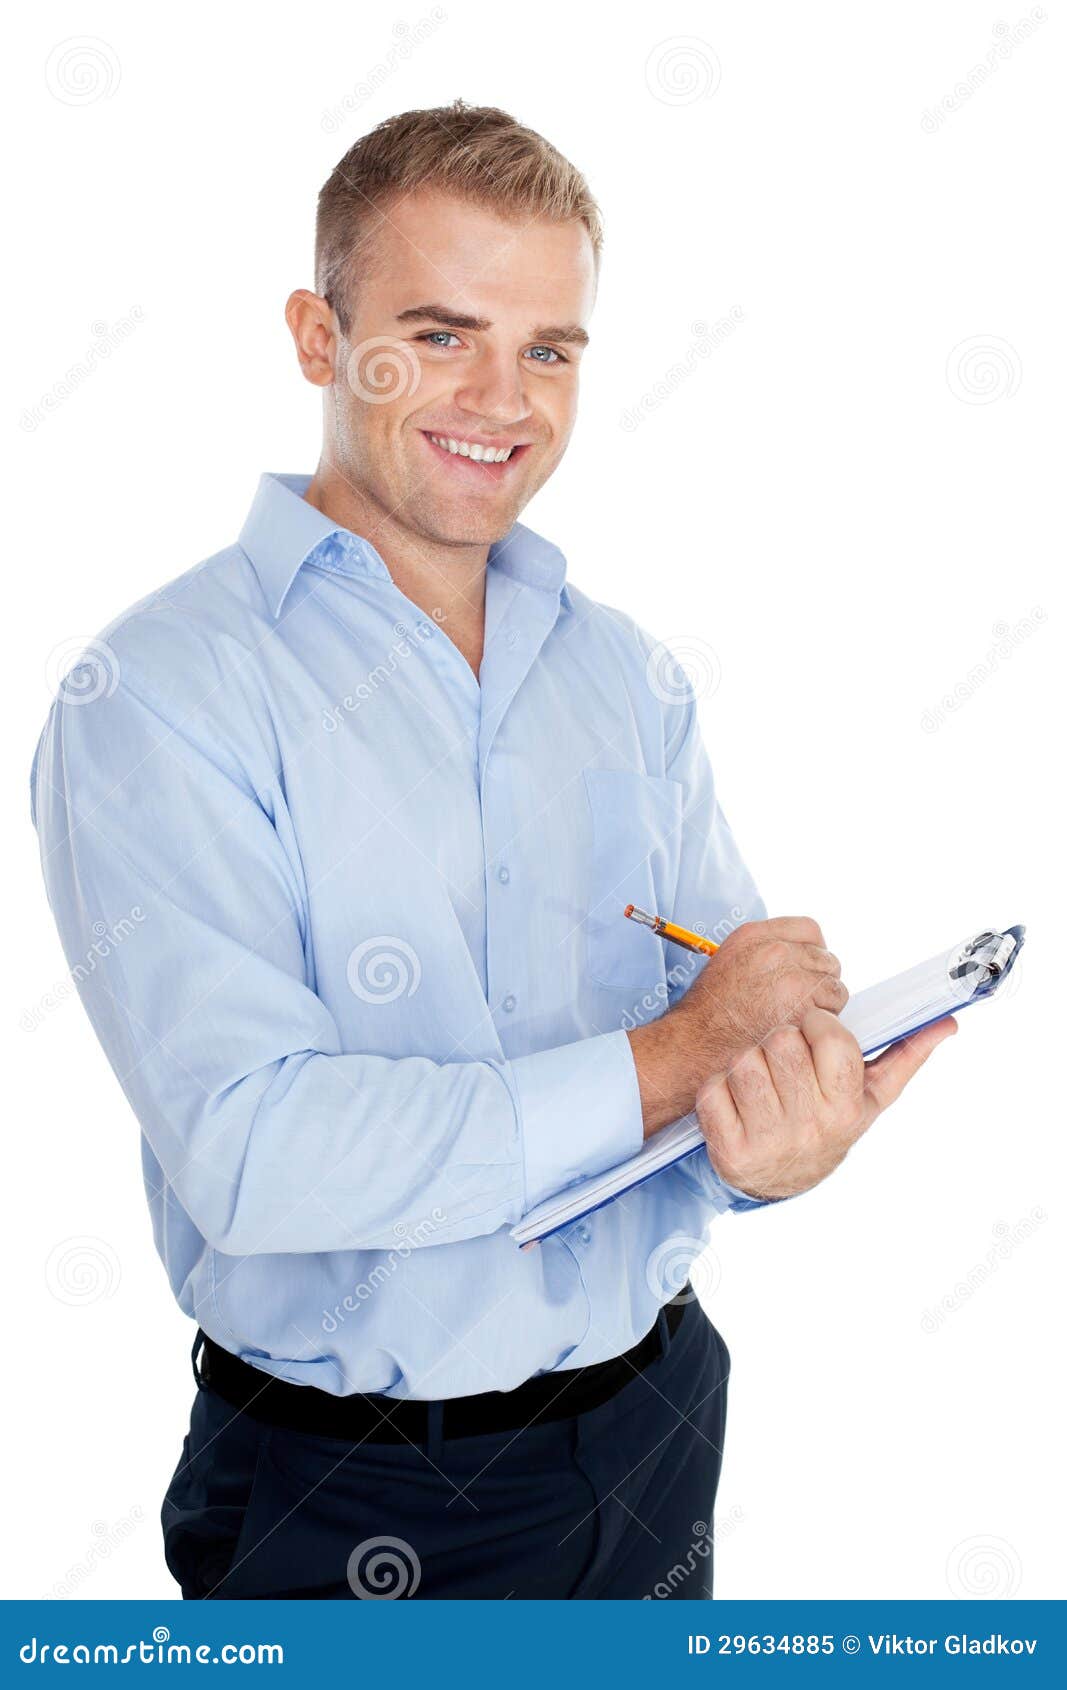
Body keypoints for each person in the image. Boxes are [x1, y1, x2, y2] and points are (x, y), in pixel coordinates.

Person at [30, 100, 956, 1601]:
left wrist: (775, 1144)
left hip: (658, 1426)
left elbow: (715, 1049)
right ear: (320, 340)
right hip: (350, 1495)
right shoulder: (158, 695)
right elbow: (253, 1152)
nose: (501, 398)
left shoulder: (626, 673)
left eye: (549, 349)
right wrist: (671, 1058)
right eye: (441, 334)